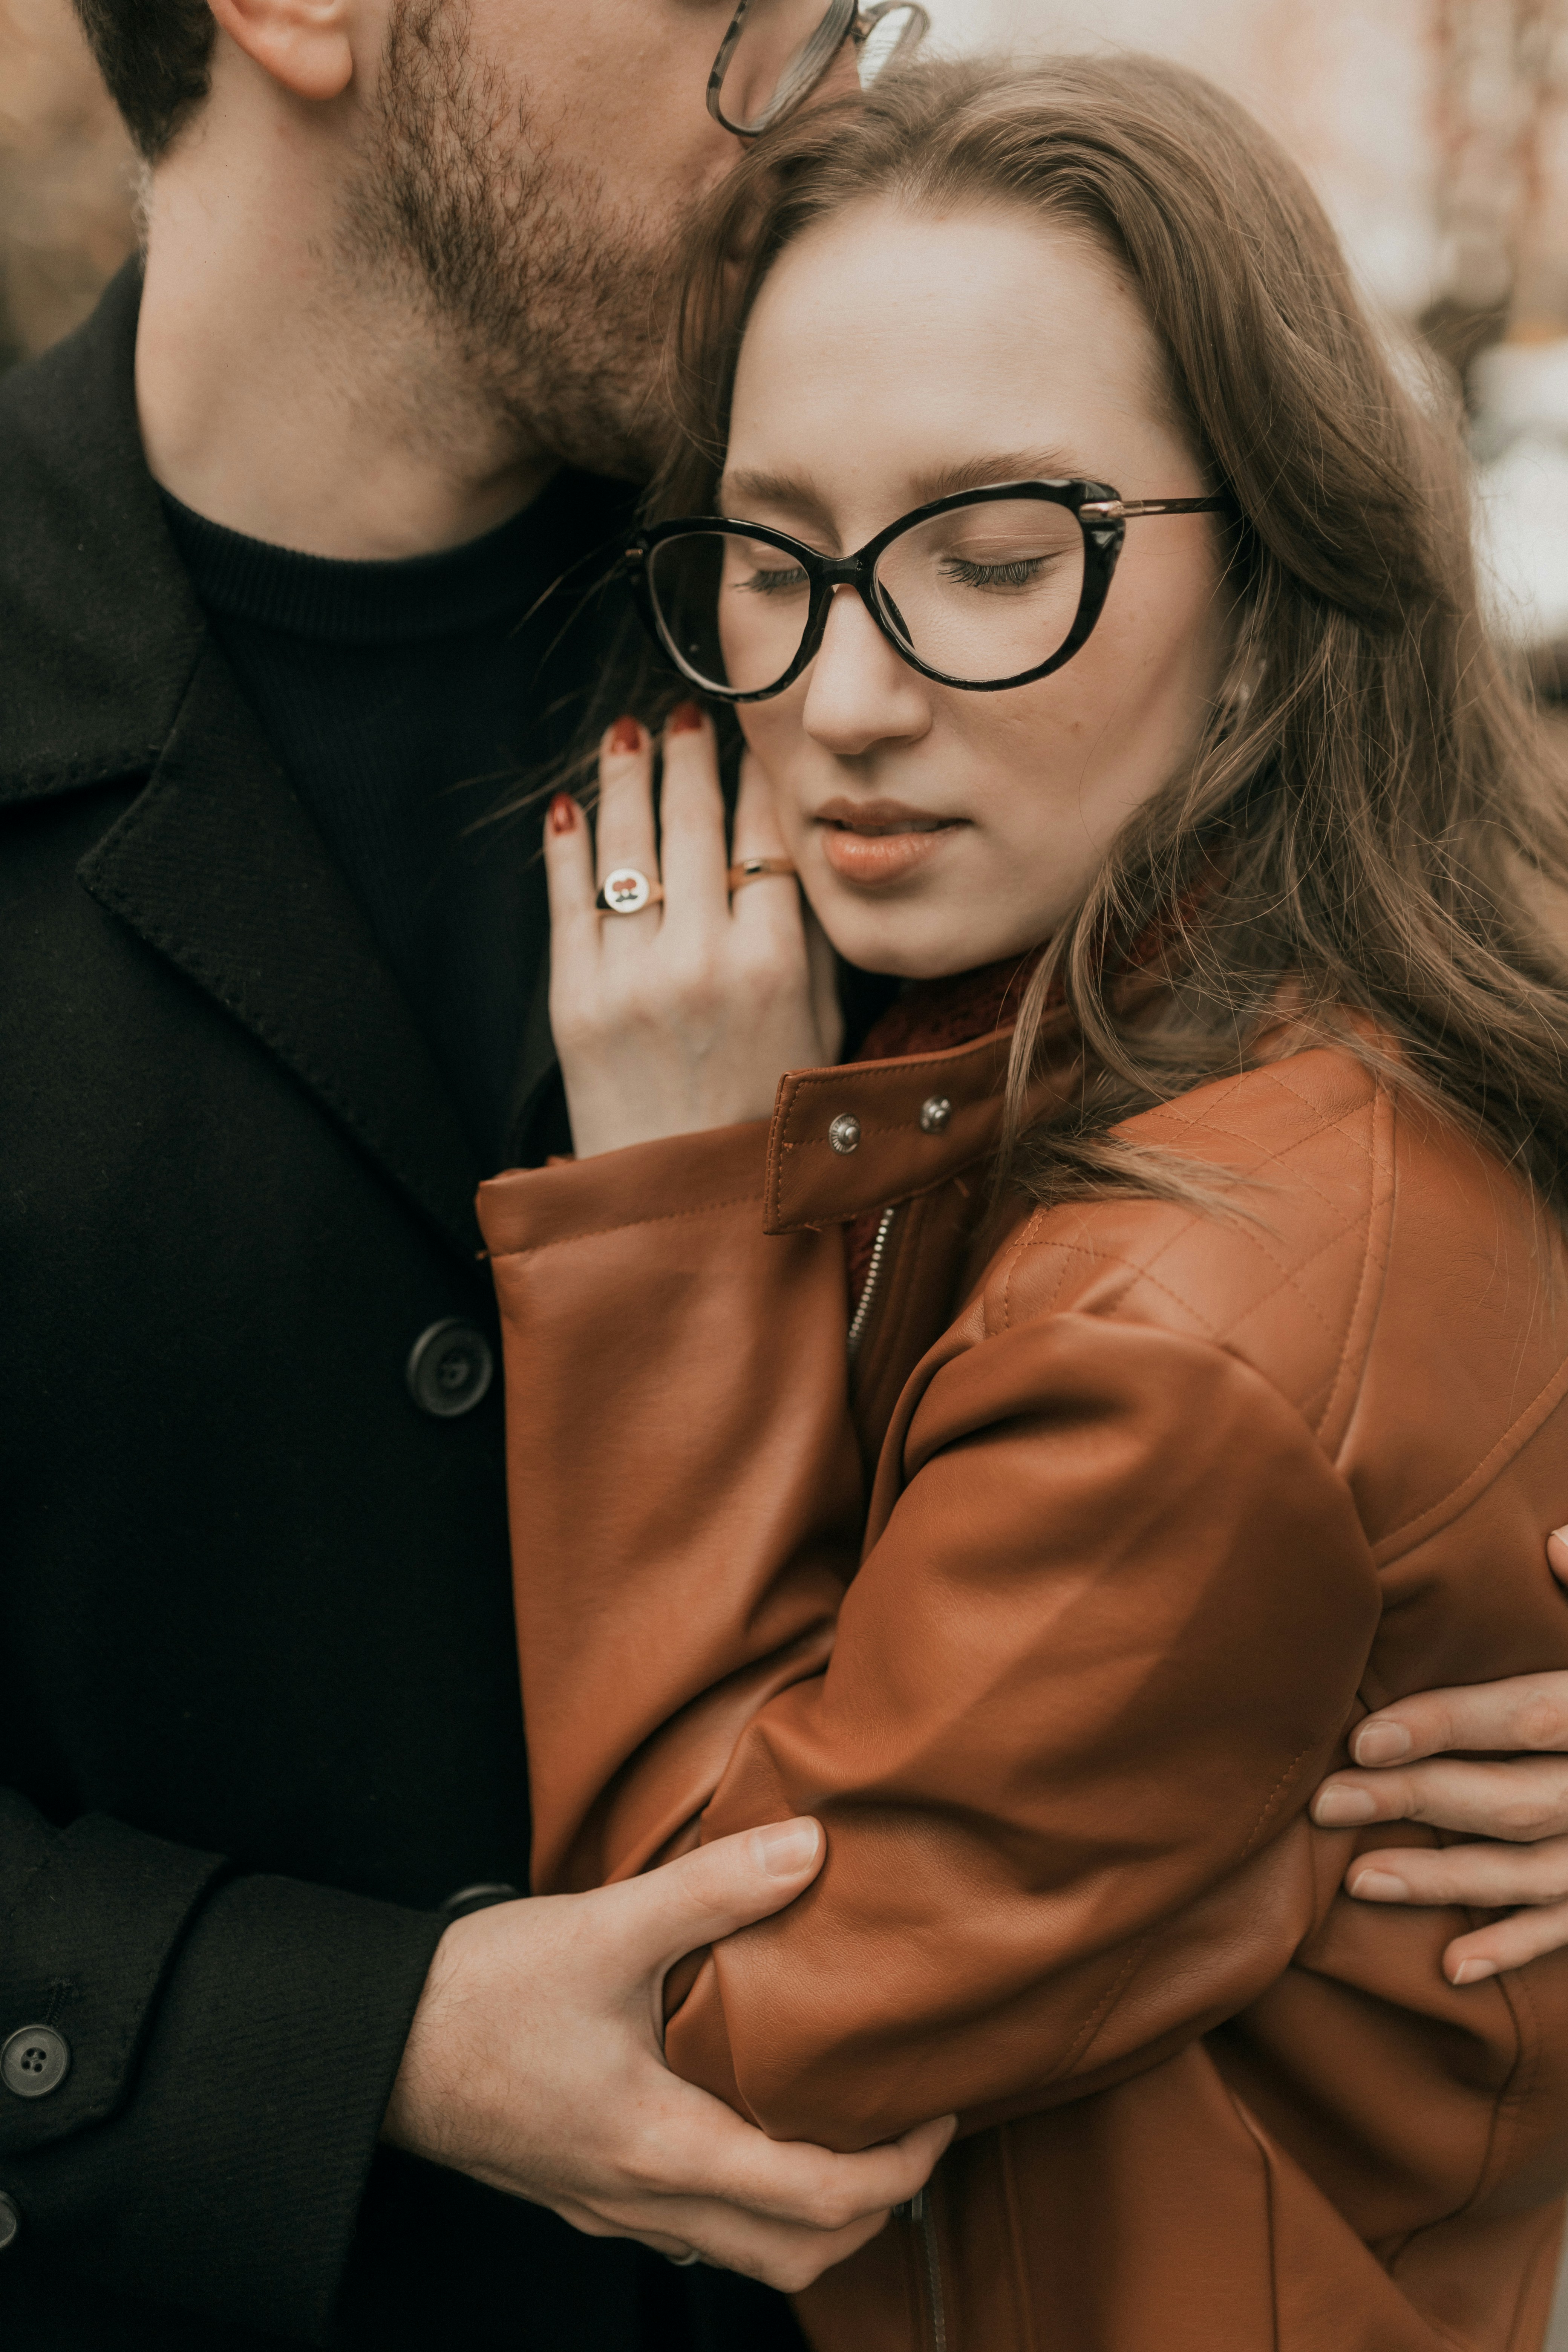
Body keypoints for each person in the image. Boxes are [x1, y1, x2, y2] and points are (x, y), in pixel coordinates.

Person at [479, 54, 1568, 2350]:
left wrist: (685, 1226)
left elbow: (708, 2020)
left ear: (1275, 554)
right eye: (773, 565)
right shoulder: (1130, 1015)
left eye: (996, 561)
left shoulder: (1180, 1315)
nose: (846, 694)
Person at [0, 3, 948, 2347]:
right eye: (739, 14)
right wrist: (362, 2045)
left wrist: (1455, 1624)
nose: (827, 84)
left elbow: (1327, 1231)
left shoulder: (919, 625)